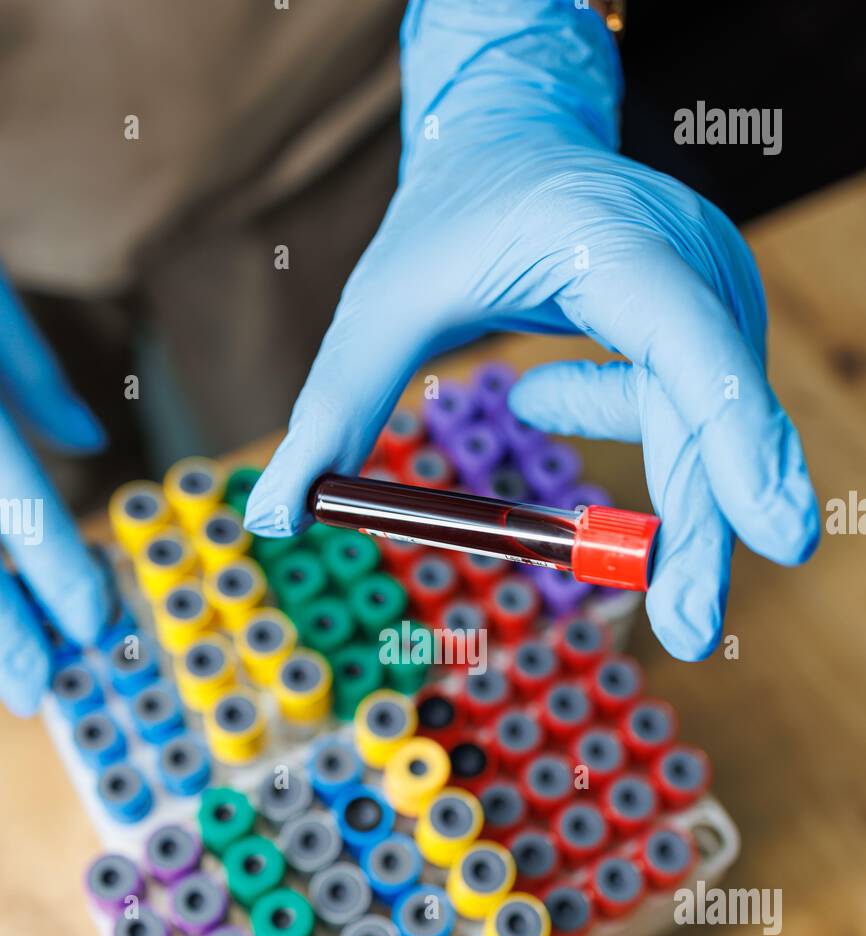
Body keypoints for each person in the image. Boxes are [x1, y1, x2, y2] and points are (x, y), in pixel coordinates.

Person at [0, 0, 819, 717]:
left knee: (318, 433)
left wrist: (507, 45)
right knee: (51, 517)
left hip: (340, 121)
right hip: (23, 217)